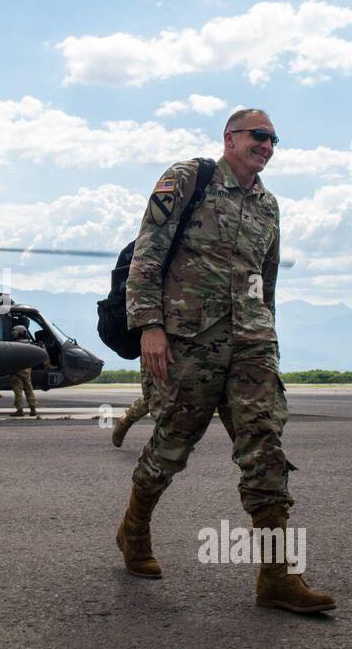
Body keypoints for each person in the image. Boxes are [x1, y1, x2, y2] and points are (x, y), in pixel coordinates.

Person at [114, 108, 335, 614]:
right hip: (188, 339)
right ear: (230, 138)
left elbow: (268, 277)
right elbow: (149, 252)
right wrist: (150, 325)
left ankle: (277, 577)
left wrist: (268, 331)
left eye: (275, 139)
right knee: (171, 445)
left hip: (252, 343)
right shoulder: (189, 178)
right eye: (259, 136)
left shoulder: (268, 205)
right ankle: (134, 531)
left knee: (265, 447)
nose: (268, 145)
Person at [8, 324, 38, 417]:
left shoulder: (15, 345)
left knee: (18, 391)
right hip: (27, 371)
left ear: (20, 333)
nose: (14, 334)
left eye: (15, 332)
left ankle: (19, 410)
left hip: (17, 371)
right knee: (29, 389)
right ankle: (33, 409)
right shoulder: (29, 344)